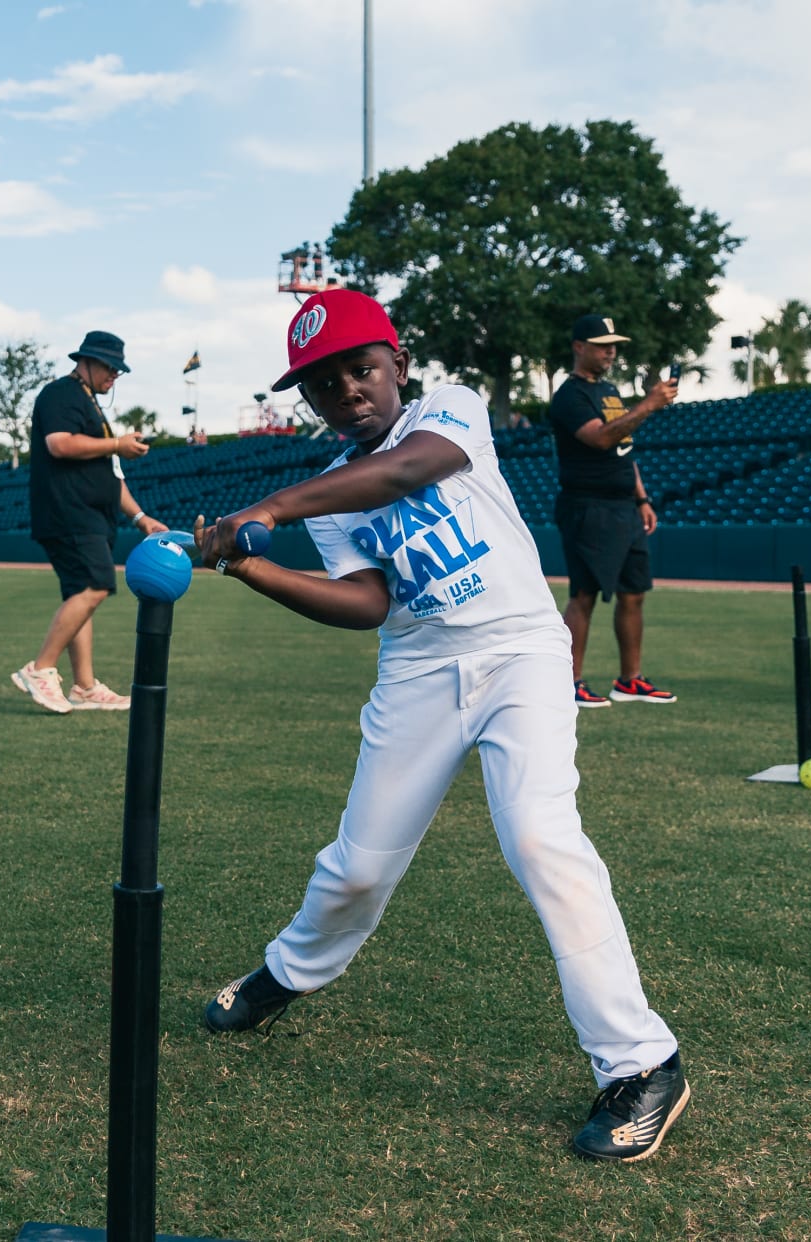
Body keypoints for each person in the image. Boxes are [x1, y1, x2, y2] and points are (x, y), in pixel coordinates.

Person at [192, 290, 687, 1164]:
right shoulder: (333, 497)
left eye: (362, 368)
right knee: (356, 868)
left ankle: (643, 1064)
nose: (348, 390)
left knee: (541, 839)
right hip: (418, 671)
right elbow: (367, 603)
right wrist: (247, 567)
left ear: (399, 364)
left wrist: (269, 507)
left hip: (520, 652)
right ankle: (287, 974)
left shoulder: (447, 408)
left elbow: (408, 470)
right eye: (323, 383)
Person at [11, 330, 168, 714]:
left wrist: (141, 517)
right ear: (86, 361)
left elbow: (111, 475)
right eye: (110, 367)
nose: (114, 375)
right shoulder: (61, 393)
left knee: (81, 593)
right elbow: (59, 444)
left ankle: (83, 686)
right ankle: (41, 669)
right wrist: (117, 443)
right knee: (96, 585)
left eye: (119, 370)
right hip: (69, 513)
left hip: (90, 516)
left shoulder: (93, 407)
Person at [548, 313, 679, 708]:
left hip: (624, 505)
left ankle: (630, 680)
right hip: (589, 505)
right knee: (584, 594)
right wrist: (651, 403)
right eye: (603, 344)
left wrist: (642, 498)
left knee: (634, 592)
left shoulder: (608, 390)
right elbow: (602, 438)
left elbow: (624, 447)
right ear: (579, 347)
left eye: (614, 345)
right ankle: (568, 682)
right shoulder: (569, 395)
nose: (611, 351)